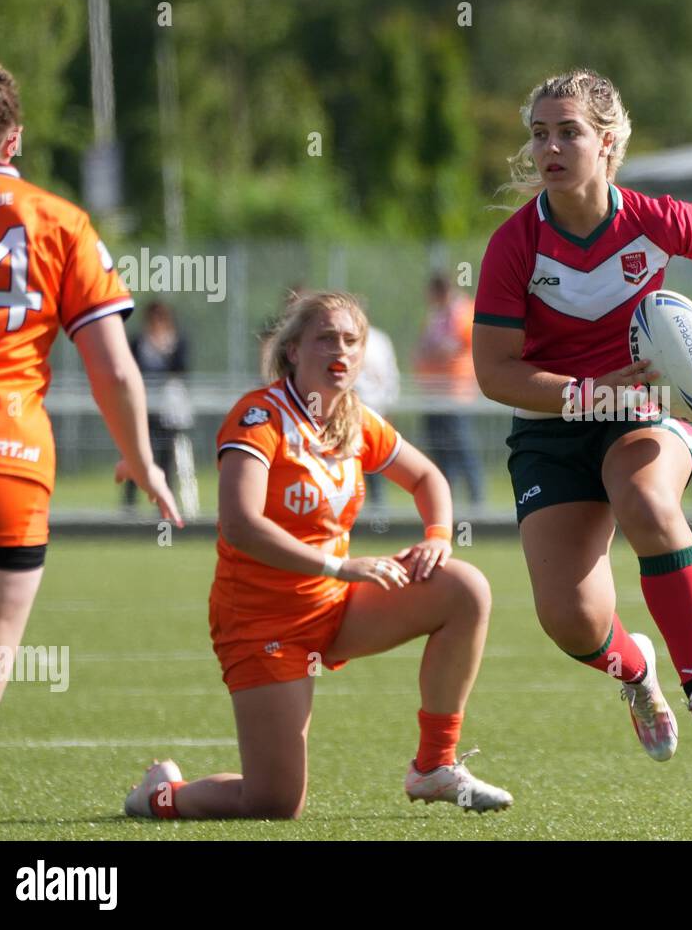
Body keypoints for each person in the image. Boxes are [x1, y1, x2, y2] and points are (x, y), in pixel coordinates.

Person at [472, 69, 692, 761]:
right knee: (571, 621)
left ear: (607, 141)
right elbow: (494, 372)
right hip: (553, 426)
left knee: (645, 496)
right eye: (539, 134)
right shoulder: (515, 246)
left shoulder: (654, 219)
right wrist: (587, 391)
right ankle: (636, 671)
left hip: (643, 410)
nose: (549, 148)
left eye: (568, 132)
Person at [124, 291, 511, 819]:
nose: (342, 351)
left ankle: (434, 766)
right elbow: (239, 524)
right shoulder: (259, 415)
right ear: (292, 352)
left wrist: (438, 537)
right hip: (263, 622)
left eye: (353, 341)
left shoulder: (353, 420)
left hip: (335, 606)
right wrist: (338, 566)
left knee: (465, 588)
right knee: (274, 803)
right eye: (326, 338)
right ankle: (159, 795)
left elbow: (426, 477)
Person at [0, 60, 180, 783]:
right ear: (14, 138)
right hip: (5, 464)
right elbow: (115, 370)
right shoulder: (61, 221)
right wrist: (142, 461)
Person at [415, 273, 483, 507]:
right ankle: (447, 498)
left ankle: (476, 500)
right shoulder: (436, 314)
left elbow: (449, 348)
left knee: (461, 445)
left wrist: (430, 353)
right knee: (439, 447)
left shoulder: (462, 311)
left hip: (455, 392)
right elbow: (424, 346)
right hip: (433, 392)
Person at [124, 300, 192, 507]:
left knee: (166, 456)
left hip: (168, 406)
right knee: (137, 452)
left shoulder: (177, 342)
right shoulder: (139, 342)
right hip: (143, 404)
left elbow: (181, 369)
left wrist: (164, 350)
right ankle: (130, 504)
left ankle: (165, 500)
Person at [353, 318, 400, 508]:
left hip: (375, 410)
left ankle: (378, 515)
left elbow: (390, 375)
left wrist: (389, 405)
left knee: (377, 463)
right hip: (348, 412)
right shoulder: (344, 338)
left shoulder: (379, 339)